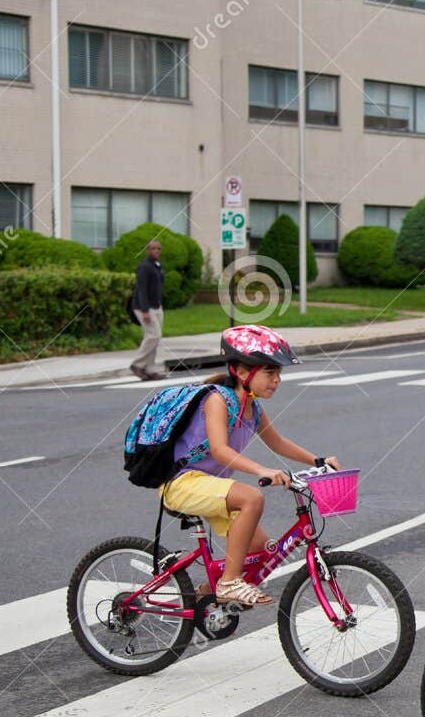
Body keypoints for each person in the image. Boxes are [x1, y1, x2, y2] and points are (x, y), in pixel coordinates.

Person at [158, 325, 339, 607]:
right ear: (243, 373)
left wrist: (318, 461)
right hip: (182, 483)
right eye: (270, 372)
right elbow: (219, 450)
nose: (277, 380)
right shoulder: (217, 400)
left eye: (278, 373)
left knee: (260, 550)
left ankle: (204, 599)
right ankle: (229, 583)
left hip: (213, 487)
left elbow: (277, 442)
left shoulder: (252, 408)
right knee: (252, 498)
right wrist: (262, 470)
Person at [130, 240, 167, 380]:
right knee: (154, 335)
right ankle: (137, 364)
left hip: (156, 306)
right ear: (147, 251)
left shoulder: (157, 266)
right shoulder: (144, 267)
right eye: (152, 248)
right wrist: (145, 310)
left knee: (154, 338)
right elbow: (141, 289)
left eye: (158, 248)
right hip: (144, 307)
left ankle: (150, 368)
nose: (156, 251)